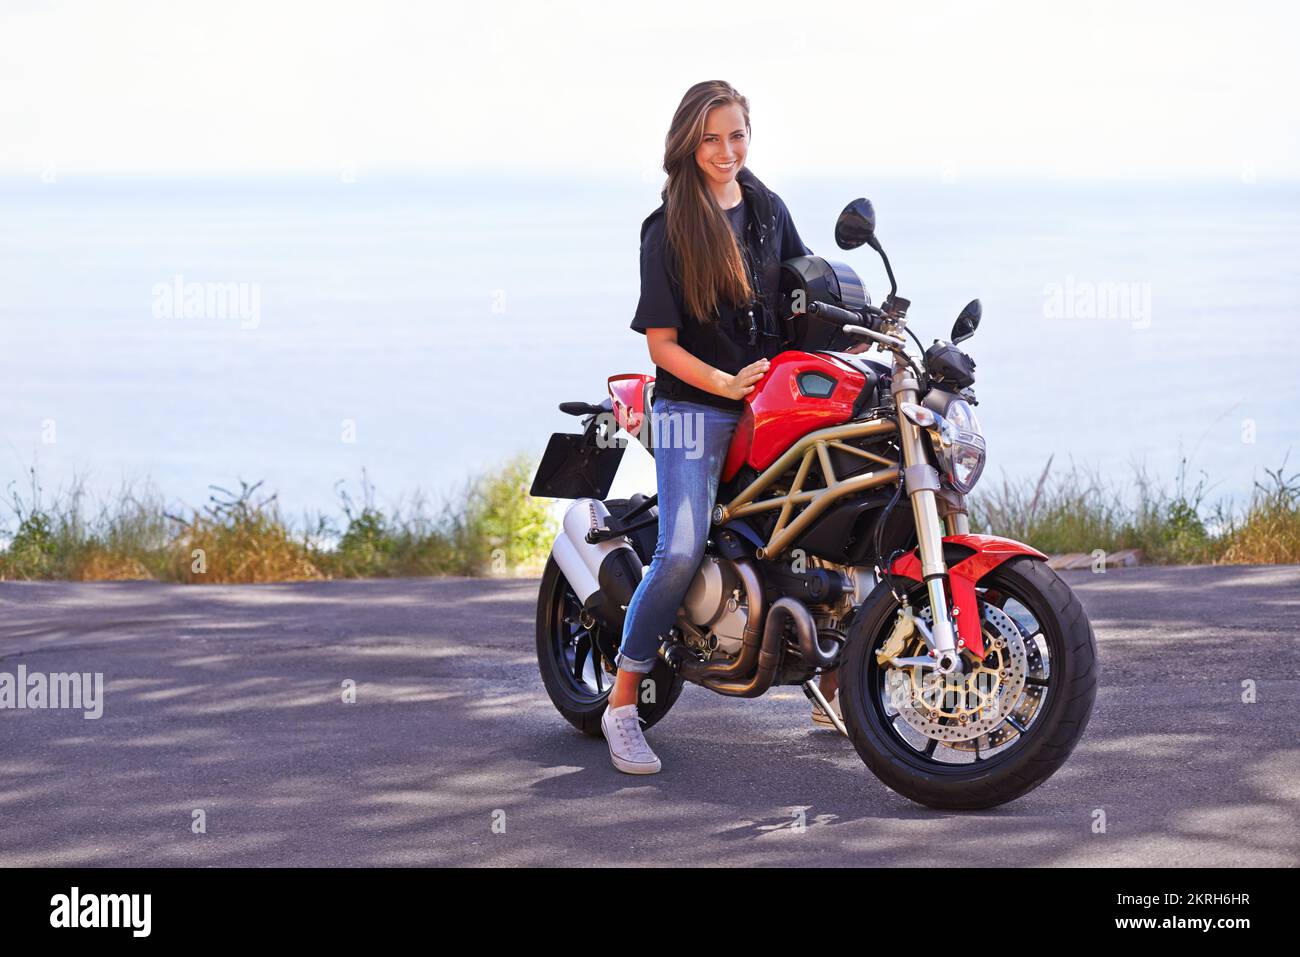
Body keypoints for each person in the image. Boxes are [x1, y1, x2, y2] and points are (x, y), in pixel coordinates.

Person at [599, 81, 868, 774]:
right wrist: (723, 383)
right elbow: (661, 344)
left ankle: (834, 685)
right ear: (690, 141)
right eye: (713, 138)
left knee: (833, 516)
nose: (727, 151)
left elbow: (808, 291)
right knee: (682, 548)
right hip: (695, 406)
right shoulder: (667, 227)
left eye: (738, 135)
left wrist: (859, 328)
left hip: (771, 401)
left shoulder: (767, 207)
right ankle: (623, 701)